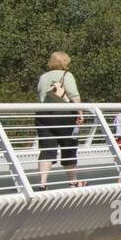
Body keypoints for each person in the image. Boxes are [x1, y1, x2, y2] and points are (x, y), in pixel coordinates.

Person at [36, 51, 85, 189]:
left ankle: (42, 182)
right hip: (64, 115)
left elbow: (40, 95)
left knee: (47, 148)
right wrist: (80, 113)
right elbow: (74, 95)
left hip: (43, 116)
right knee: (69, 147)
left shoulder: (43, 77)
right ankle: (73, 181)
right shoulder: (66, 75)